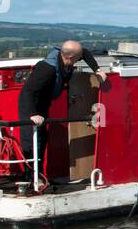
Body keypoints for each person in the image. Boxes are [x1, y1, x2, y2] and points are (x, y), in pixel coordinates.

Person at [18, 40, 107, 178]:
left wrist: (97, 70)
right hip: (31, 106)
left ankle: (38, 176)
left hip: (43, 104)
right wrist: (32, 114)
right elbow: (28, 91)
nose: (79, 60)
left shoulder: (67, 56)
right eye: (77, 58)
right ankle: (30, 178)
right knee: (33, 140)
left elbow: (85, 53)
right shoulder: (47, 68)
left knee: (42, 138)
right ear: (70, 57)